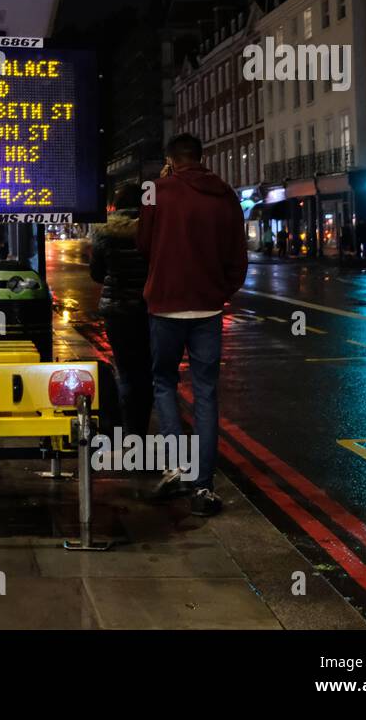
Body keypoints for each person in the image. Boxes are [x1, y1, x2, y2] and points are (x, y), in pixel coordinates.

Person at [137, 134, 248, 518]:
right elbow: (238, 253)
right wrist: (220, 290)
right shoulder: (226, 194)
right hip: (207, 308)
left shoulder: (155, 190)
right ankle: (203, 485)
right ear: (201, 158)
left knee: (164, 383)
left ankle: (175, 469)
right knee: (206, 395)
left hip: (166, 305)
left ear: (170, 160)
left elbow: (144, 244)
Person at [89, 183, 153, 439]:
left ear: (115, 205)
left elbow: (97, 273)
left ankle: (130, 434)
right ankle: (142, 430)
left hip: (116, 310)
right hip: (149, 308)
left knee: (126, 372)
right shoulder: (152, 228)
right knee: (148, 371)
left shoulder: (104, 231)